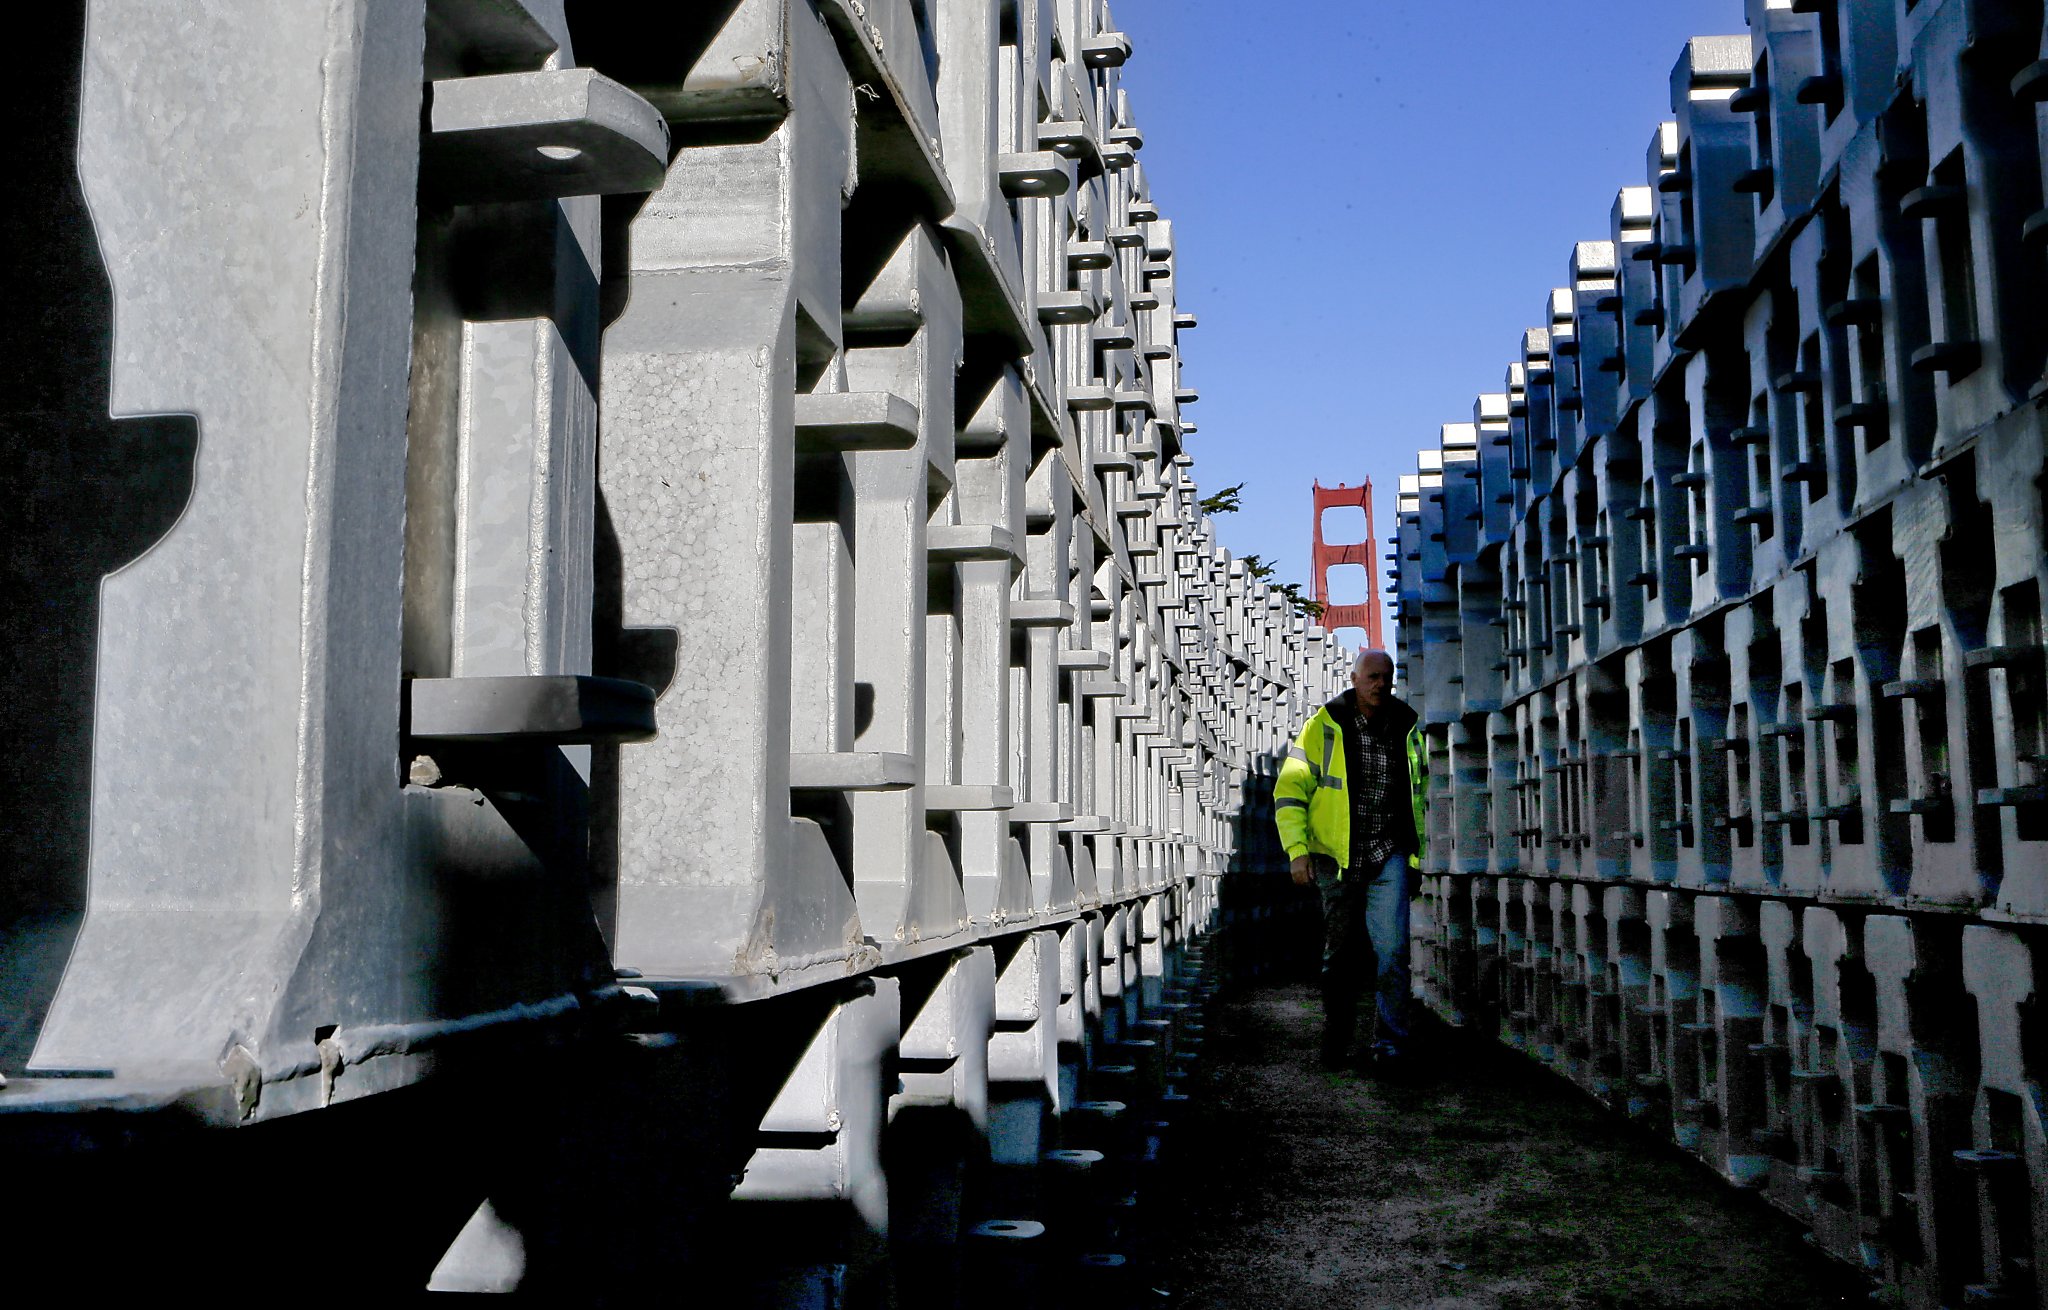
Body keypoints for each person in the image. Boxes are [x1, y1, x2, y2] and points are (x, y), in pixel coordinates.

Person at [1273, 649, 1427, 1071]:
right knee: (1339, 956)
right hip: (1336, 856)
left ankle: (1391, 1045)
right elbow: (1290, 790)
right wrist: (1297, 851)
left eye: (1386, 677)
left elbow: (1420, 796)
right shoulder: (1324, 726)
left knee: (1393, 953)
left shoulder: (1407, 726)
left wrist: (1416, 857)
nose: (1380, 684)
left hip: (1388, 852)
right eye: (1372, 676)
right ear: (1355, 679)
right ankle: (1337, 1039)